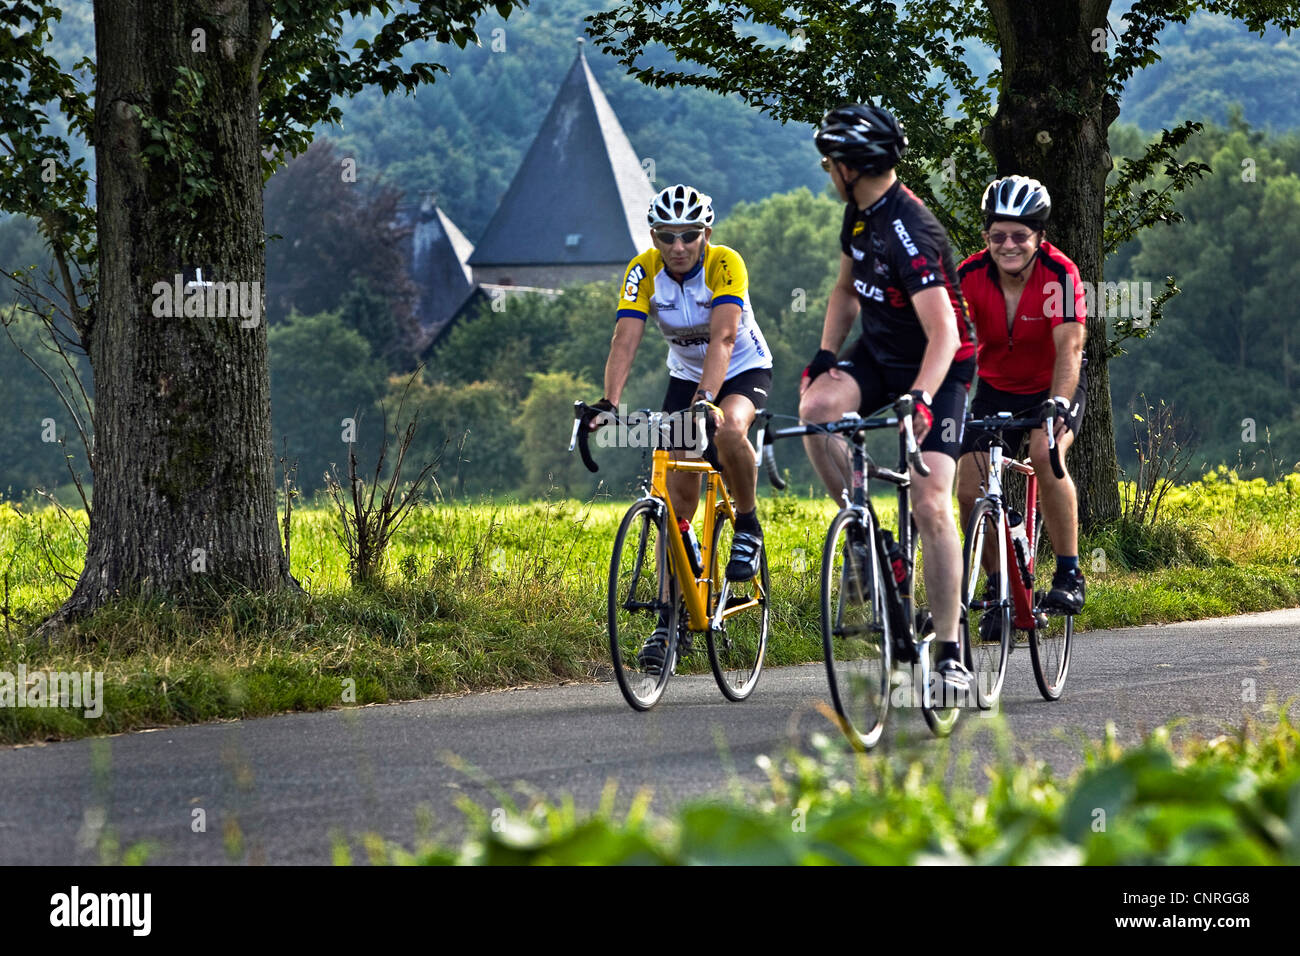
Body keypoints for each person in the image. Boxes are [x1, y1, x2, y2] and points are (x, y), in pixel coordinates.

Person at [801, 104, 978, 697]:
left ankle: (951, 651)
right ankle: (863, 538)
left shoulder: (911, 230)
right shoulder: (857, 215)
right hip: (880, 355)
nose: (828, 171)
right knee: (815, 411)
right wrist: (827, 357)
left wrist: (922, 400)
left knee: (930, 504)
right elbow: (845, 290)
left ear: (854, 166)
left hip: (940, 368)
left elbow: (946, 335)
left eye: (831, 162)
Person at [589, 183, 773, 672]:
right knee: (676, 496)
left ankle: (748, 524)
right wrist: (610, 402)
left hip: (741, 370)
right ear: (653, 236)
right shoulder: (642, 270)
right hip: (685, 378)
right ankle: (669, 620)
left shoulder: (725, 264)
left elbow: (725, 337)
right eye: (667, 236)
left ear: (705, 234)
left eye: (689, 235)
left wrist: (707, 402)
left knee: (729, 430)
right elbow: (625, 339)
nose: (678, 246)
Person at [955, 176, 1088, 630]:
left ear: (1039, 237)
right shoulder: (969, 276)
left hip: (1053, 383)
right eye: (997, 235)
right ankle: (997, 588)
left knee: (1043, 454)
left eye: (1019, 236)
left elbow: (1070, 347)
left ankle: (1069, 573)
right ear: (986, 236)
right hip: (995, 388)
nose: (1007, 245)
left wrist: (1057, 404)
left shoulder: (1059, 274)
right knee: (968, 489)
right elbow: (949, 344)